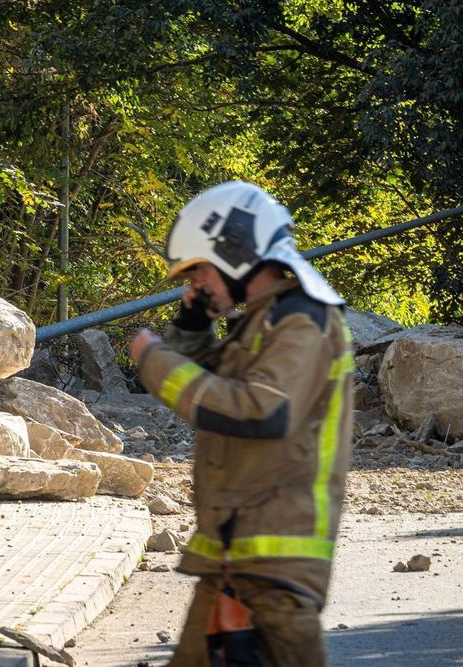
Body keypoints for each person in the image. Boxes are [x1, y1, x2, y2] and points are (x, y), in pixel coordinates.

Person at [129, 181, 354, 666]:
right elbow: (217, 384)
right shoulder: (264, 321)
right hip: (239, 556)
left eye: (201, 269)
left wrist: (154, 361)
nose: (196, 283)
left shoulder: (303, 320)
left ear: (235, 252)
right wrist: (190, 327)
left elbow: (259, 410)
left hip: (273, 567)